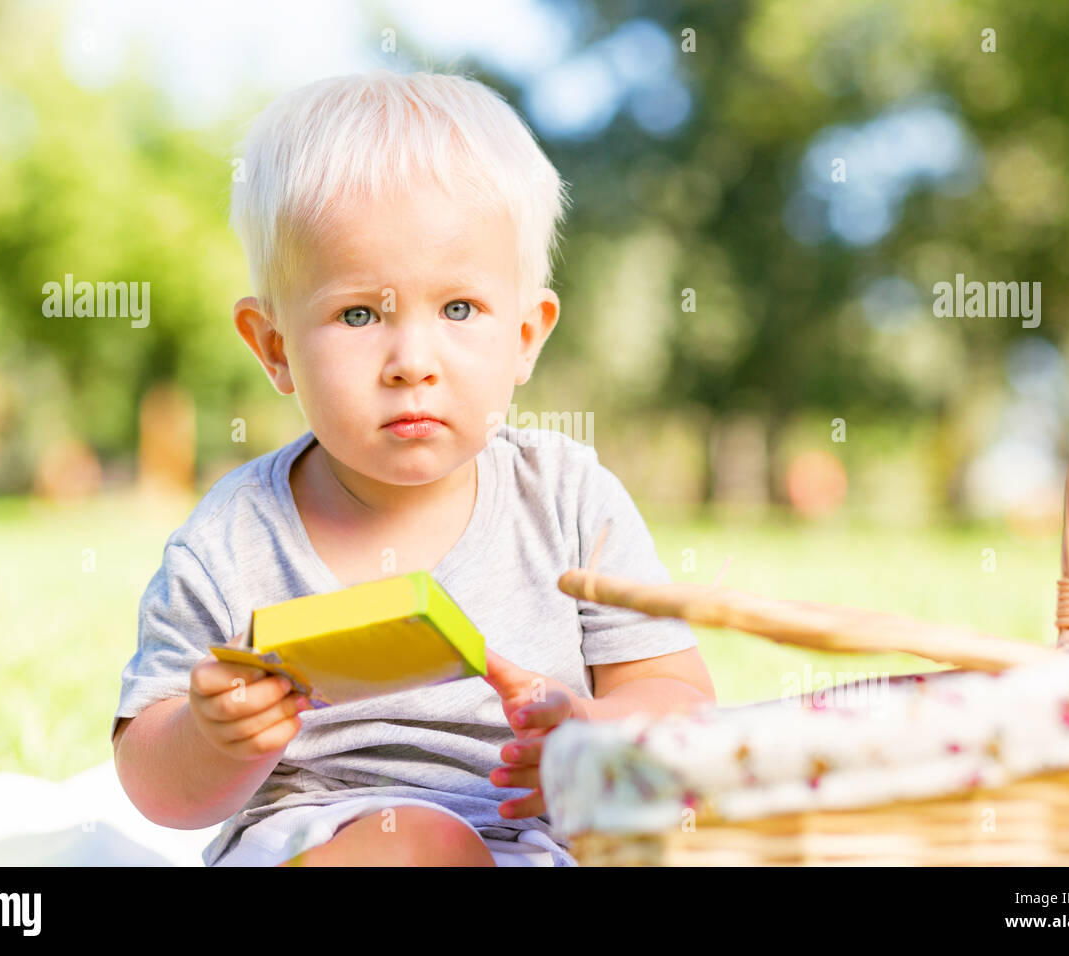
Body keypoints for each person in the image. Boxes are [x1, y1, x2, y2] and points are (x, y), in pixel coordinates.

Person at [110, 69, 716, 867]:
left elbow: (685, 708)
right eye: (359, 313)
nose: (412, 361)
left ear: (528, 335)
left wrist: (595, 733)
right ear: (275, 346)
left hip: (547, 844)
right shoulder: (230, 540)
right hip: (327, 839)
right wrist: (211, 737)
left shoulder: (568, 499)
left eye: (459, 309)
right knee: (424, 846)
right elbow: (155, 785)